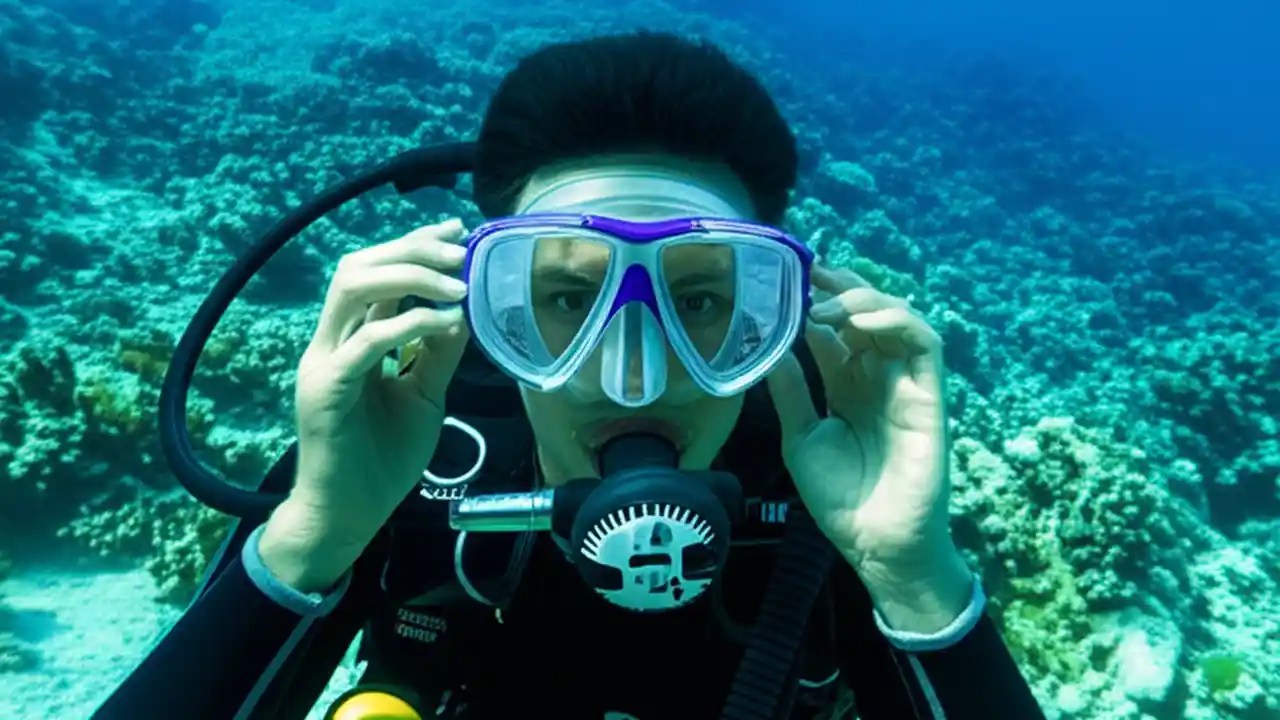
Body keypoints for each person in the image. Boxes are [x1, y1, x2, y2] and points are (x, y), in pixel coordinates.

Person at [93, 31, 1045, 720]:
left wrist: (915, 578)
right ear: (482, 297)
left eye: (704, 302)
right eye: (562, 298)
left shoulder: (831, 472)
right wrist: (315, 532)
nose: (631, 378)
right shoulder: (407, 446)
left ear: (778, 306)